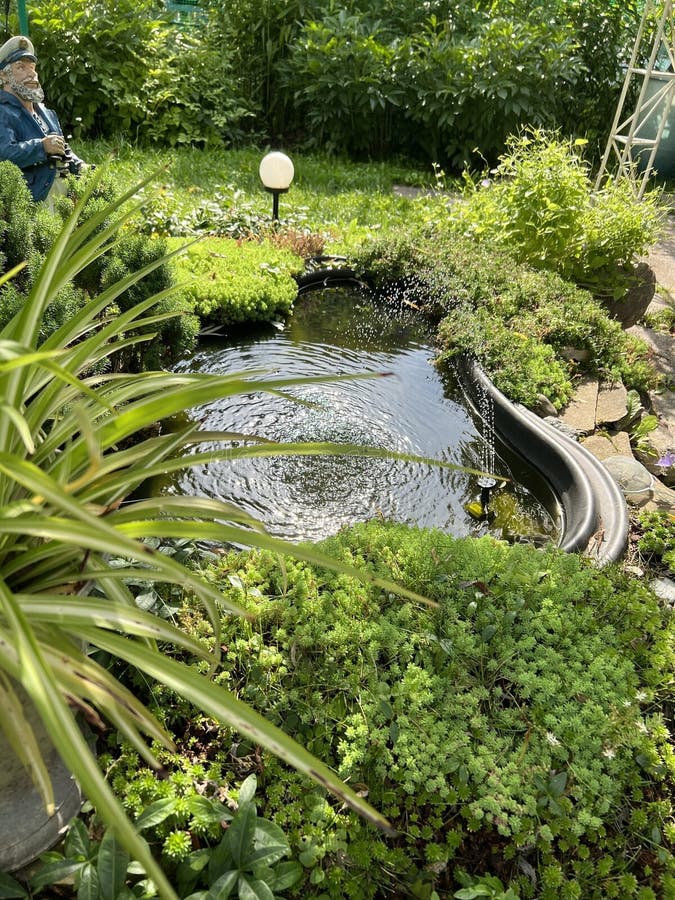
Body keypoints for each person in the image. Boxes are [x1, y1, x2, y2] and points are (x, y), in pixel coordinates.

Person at [0, 35, 86, 203]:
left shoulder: (47, 113)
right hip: (35, 197)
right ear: (3, 76)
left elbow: (62, 147)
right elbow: (4, 154)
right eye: (21, 68)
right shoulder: (3, 113)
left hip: (64, 193)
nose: (31, 74)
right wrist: (41, 146)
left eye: (33, 68)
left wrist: (79, 165)